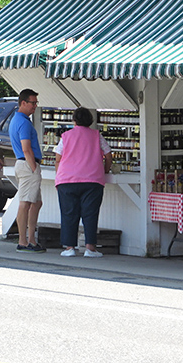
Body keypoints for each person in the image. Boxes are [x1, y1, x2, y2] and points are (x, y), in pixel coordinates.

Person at [55, 107, 113, 258]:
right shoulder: (96, 135)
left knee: (69, 213)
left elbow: (58, 158)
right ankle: (90, 248)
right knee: (90, 213)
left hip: (66, 180)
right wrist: (105, 170)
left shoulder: (66, 136)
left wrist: (60, 173)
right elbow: (108, 155)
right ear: (90, 120)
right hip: (92, 180)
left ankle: (69, 248)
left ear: (74, 120)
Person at [9, 88, 46, 253]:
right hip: (27, 164)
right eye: (32, 103)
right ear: (23, 103)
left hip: (24, 163)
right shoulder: (23, 122)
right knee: (25, 203)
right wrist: (34, 167)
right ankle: (23, 241)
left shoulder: (18, 119)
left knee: (36, 202)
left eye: (36, 103)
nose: (35, 106)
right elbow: (26, 148)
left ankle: (31, 238)